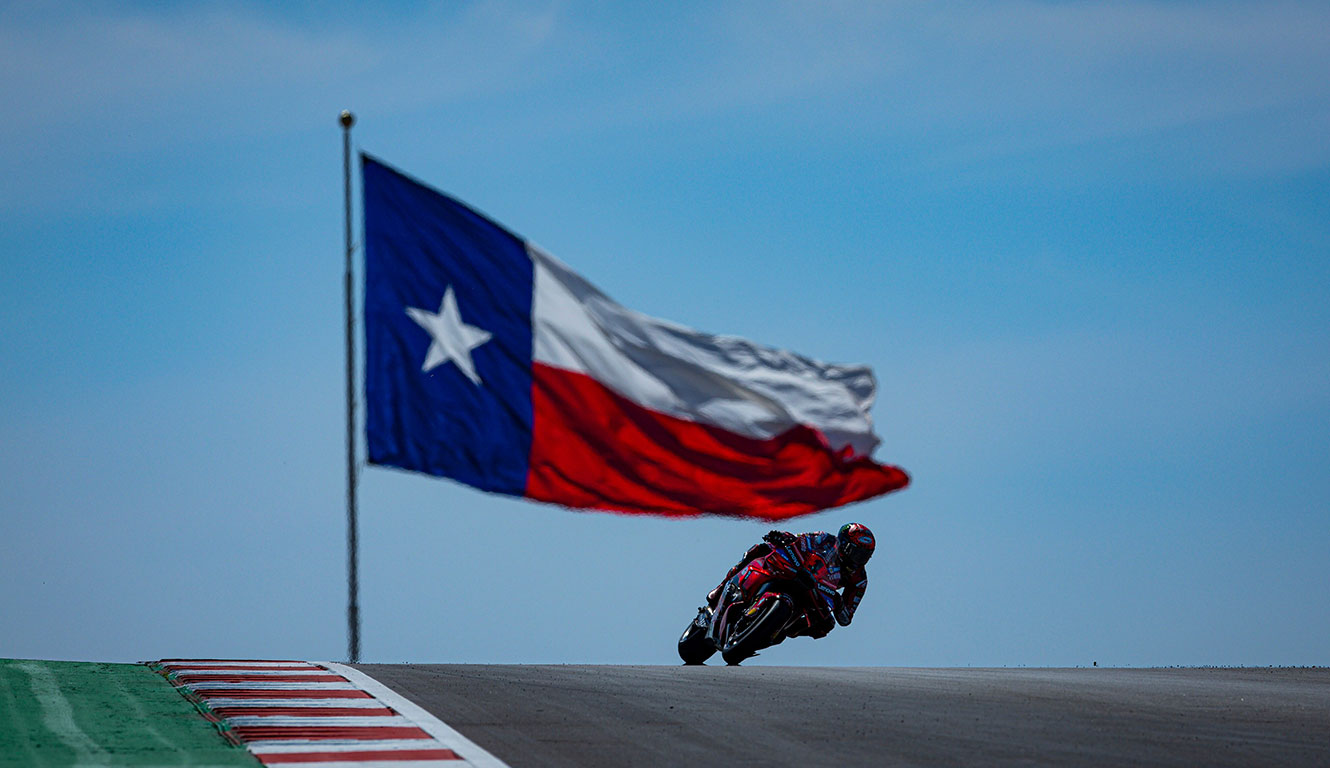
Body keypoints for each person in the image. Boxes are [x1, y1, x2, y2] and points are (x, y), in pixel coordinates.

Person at [706, 523, 876, 639]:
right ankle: (720, 589)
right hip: (797, 571)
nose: (857, 560)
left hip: (815, 596)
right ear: (843, 543)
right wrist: (783, 537)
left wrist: (838, 603)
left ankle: (779, 630)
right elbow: (800, 539)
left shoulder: (859, 580)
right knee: (761, 549)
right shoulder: (825, 540)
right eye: (854, 552)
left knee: (825, 625)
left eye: (864, 556)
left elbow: (846, 619)